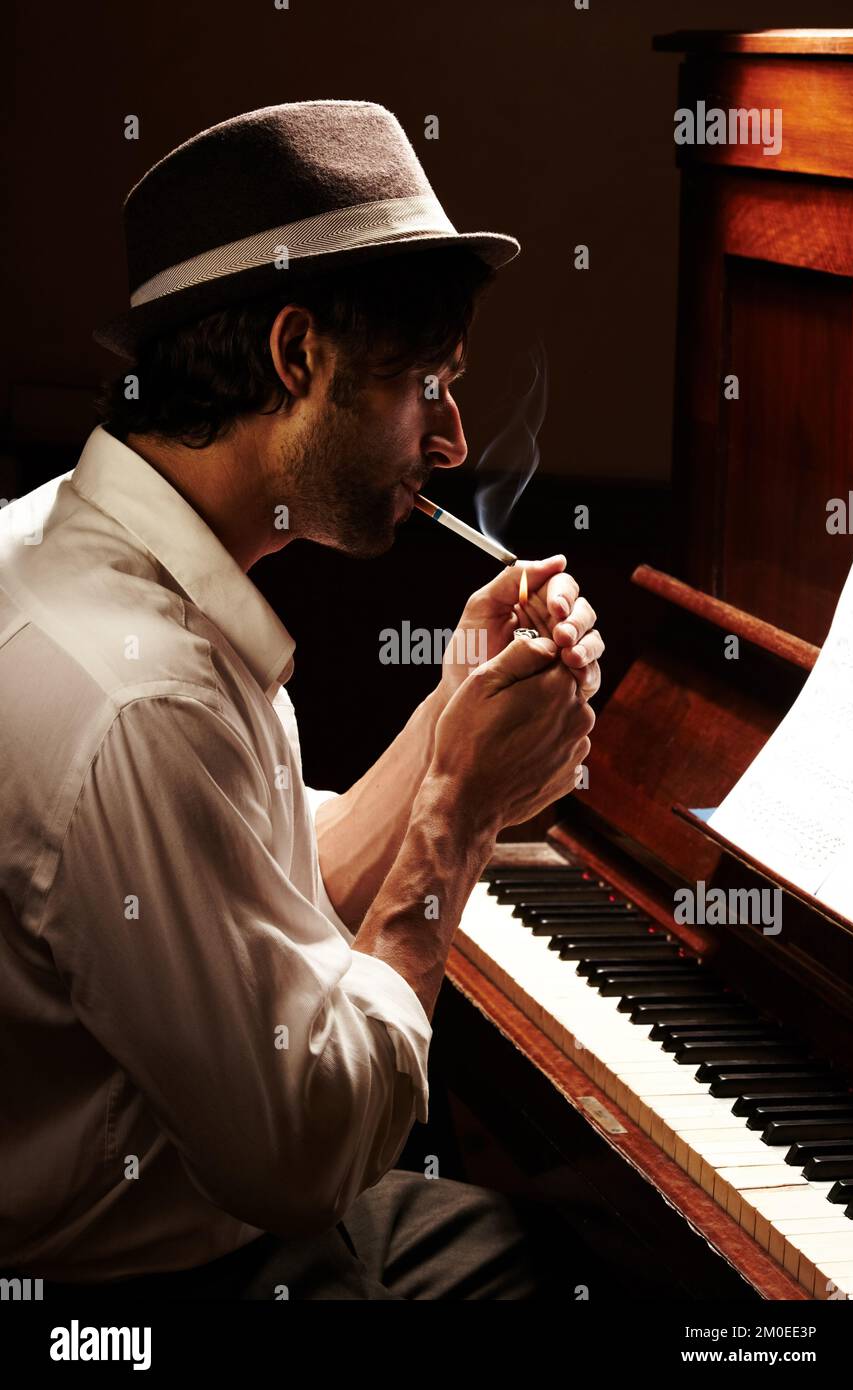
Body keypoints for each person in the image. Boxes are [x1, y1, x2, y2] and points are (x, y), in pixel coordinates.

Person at [0, 101, 603, 1299]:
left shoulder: (79, 545)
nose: (450, 442)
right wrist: (459, 814)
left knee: (545, 1243)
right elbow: (304, 1153)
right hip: (147, 1278)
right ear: (295, 357)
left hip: (197, 1197)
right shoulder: (144, 697)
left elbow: (253, 886)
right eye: (425, 384)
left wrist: (450, 716)